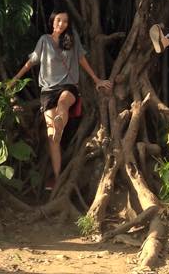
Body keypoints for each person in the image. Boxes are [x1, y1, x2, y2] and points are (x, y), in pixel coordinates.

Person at [10, 11, 112, 191]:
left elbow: (81, 59)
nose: (62, 23)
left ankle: (59, 125)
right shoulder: (44, 41)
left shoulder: (72, 39)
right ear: (52, 21)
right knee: (52, 138)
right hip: (48, 91)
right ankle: (57, 177)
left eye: (65, 21)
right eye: (59, 20)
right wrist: (15, 79)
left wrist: (97, 80)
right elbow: (31, 62)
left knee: (63, 104)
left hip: (68, 87)